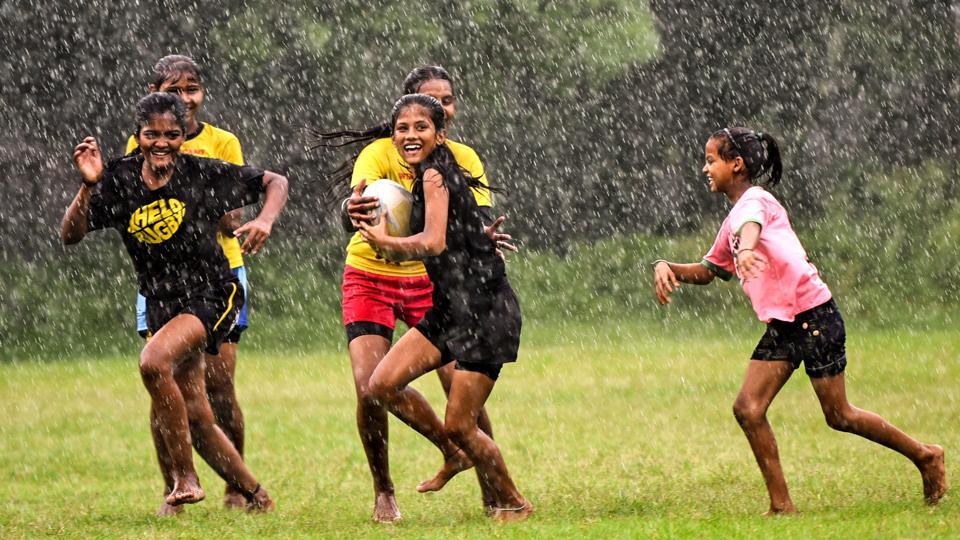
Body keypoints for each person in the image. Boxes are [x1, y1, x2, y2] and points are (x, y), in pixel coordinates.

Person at [651, 127, 947, 514]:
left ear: (736, 165)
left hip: (814, 316)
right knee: (748, 409)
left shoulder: (755, 201)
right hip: (785, 325)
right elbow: (709, 270)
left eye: (711, 161)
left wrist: (749, 249)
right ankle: (781, 507)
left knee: (839, 415)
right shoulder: (732, 221)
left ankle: (926, 456)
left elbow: (751, 226)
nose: (705, 169)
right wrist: (664, 265)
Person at [61, 92, 288, 515]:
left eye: (171, 134)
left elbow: (275, 182)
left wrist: (265, 220)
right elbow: (70, 234)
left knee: (153, 362)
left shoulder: (202, 174)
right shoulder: (120, 178)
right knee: (198, 415)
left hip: (212, 291)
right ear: (138, 136)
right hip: (162, 300)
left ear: (183, 137)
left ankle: (185, 477)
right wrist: (88, 187)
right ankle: (257, 496)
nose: (161, 143)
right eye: (151, 134)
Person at [313, 66, 513, 522]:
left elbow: (473, 218)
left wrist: (483, 240)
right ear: (402, 110)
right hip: (370, 275)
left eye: (445, 101)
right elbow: (356, 207)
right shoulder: (378, 153)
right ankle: (386, 489)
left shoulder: (462, 158)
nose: (438, 107)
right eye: (427, 100)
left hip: (430, 281)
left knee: (461, 389)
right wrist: (351, 209)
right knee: (370, 388)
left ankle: (494, 487)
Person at [360, 93, 532, 522]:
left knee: (460, 423)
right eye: (403, 128)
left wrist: (386, 243)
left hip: (484, 310)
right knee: (380, 385)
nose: (411, 135)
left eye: (421, 127)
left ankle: (512, 502)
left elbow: (433, 241)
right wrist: (477, 234)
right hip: (449, 308)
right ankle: (456, 455)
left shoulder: (436, 172)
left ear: (440, 134)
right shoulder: (431, 175)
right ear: (393, 134)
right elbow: (455, 229)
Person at [125, 54, 253, 510]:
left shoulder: (222, 143)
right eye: (173, 90)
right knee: (164, 383)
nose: (184, 99)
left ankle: (237, 488)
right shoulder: (141, 143)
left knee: (220, 388)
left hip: (220, 272)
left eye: (192, 88)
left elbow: (232, 215)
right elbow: (132, 204)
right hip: (161, 281)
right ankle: (173, 489)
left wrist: (192, 192)